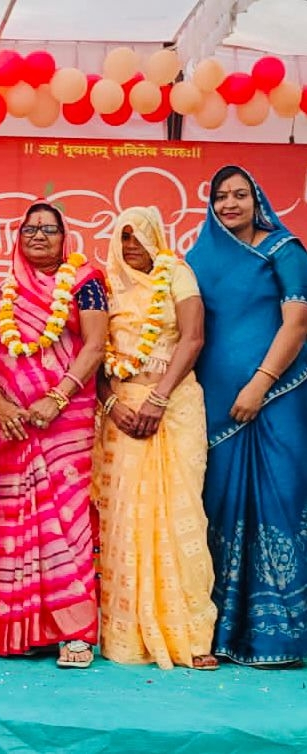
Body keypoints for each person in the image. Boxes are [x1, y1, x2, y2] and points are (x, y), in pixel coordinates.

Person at [186, 166, 307, 668]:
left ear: (258, 200)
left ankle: (281, 637)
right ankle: (220, 632)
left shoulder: (285, 250)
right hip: (214, 408)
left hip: (276, 400)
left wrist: (258, 385)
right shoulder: (199, 258)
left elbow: (297, 323)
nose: (230, 203)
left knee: (280, 499)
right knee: (219, 505)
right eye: (220, 196)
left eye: (240, 194)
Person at [0, 201, 107, 669]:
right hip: (15, 423)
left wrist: (57, 397)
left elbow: (96, 345)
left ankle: (73, 631)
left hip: (64, 422)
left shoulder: (85, 282)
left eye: (48, 229)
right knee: (15, 519)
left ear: (63, 236)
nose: (38, 236)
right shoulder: (1, 296)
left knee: (67, 522)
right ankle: (16, 629)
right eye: (30, 229)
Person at [93, 206, 218, 670]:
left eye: (140, 236)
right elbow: (94, 355)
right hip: (122, 412)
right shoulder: (107, 286)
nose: (132, 246)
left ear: (156, 237)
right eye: (123, 237)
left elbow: (193, 338)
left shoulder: (178, 275)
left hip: (175, 405)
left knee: (181, 511)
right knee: (126, 519)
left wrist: (159, 399)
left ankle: (190, 634)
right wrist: (112, 406)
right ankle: (128, 637)